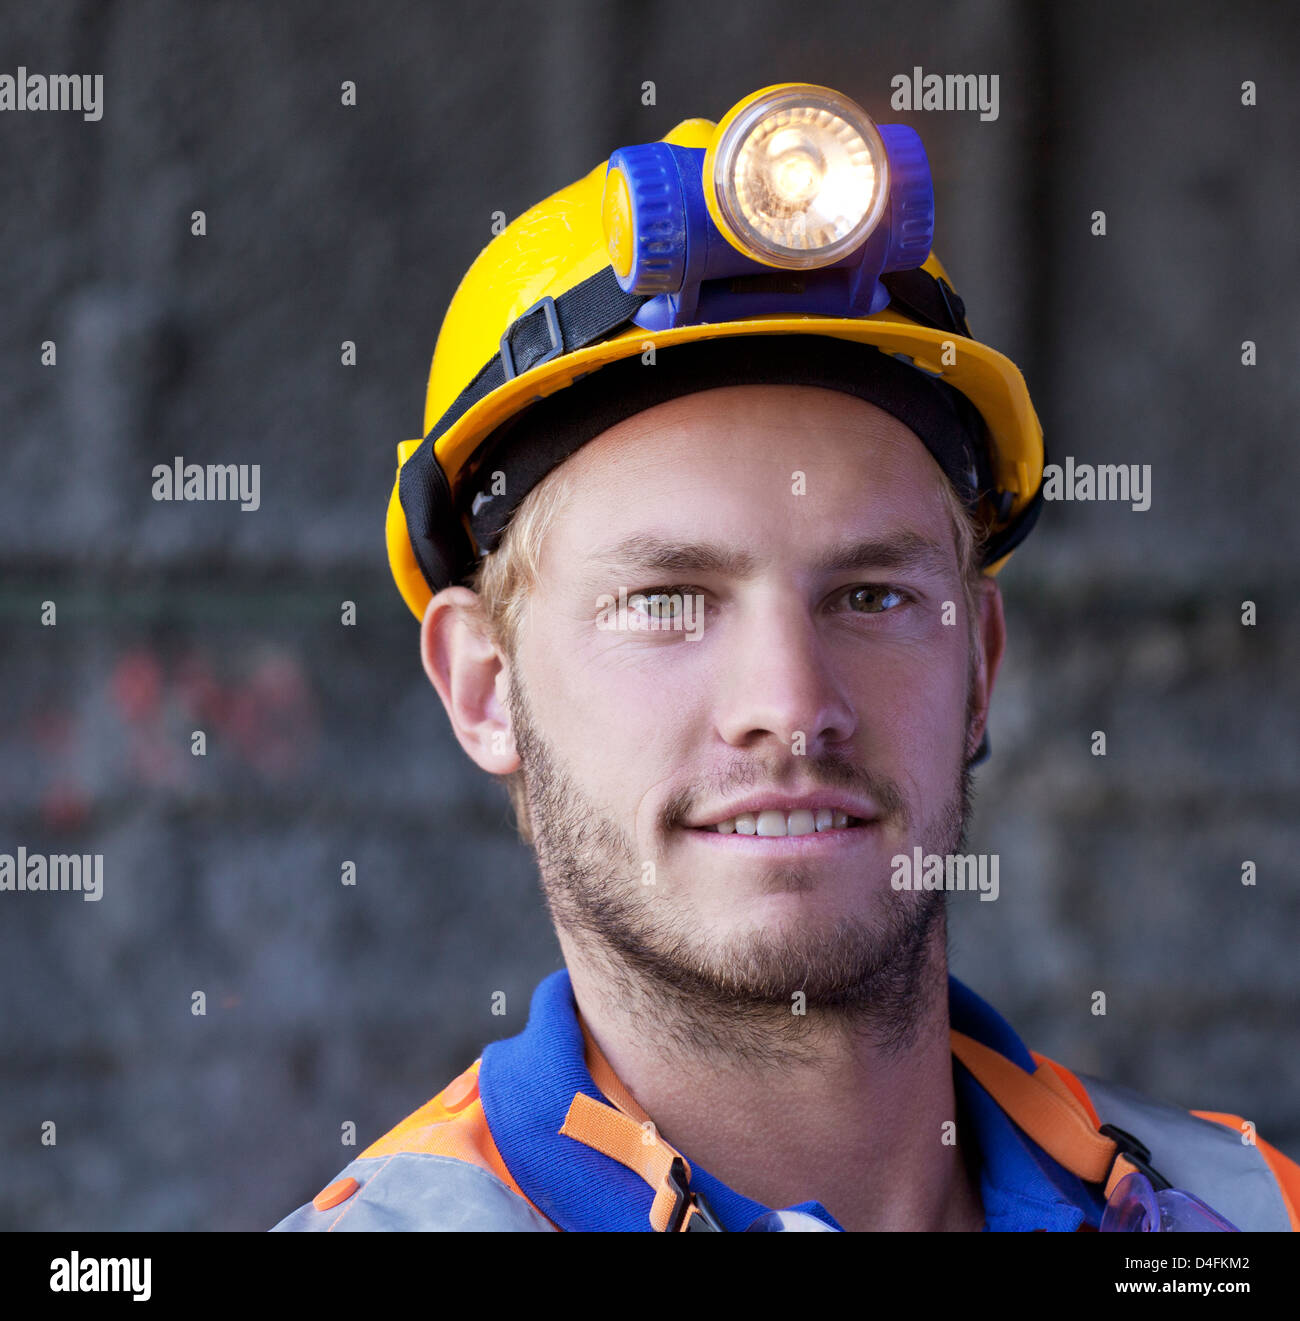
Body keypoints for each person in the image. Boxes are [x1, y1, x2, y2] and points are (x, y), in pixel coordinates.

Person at [272, 83, 1300, 1232]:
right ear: (484, 685)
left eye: (871, 594)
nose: (790, 706)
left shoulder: (1247, 1215)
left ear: (979, 666)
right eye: (666, 600)